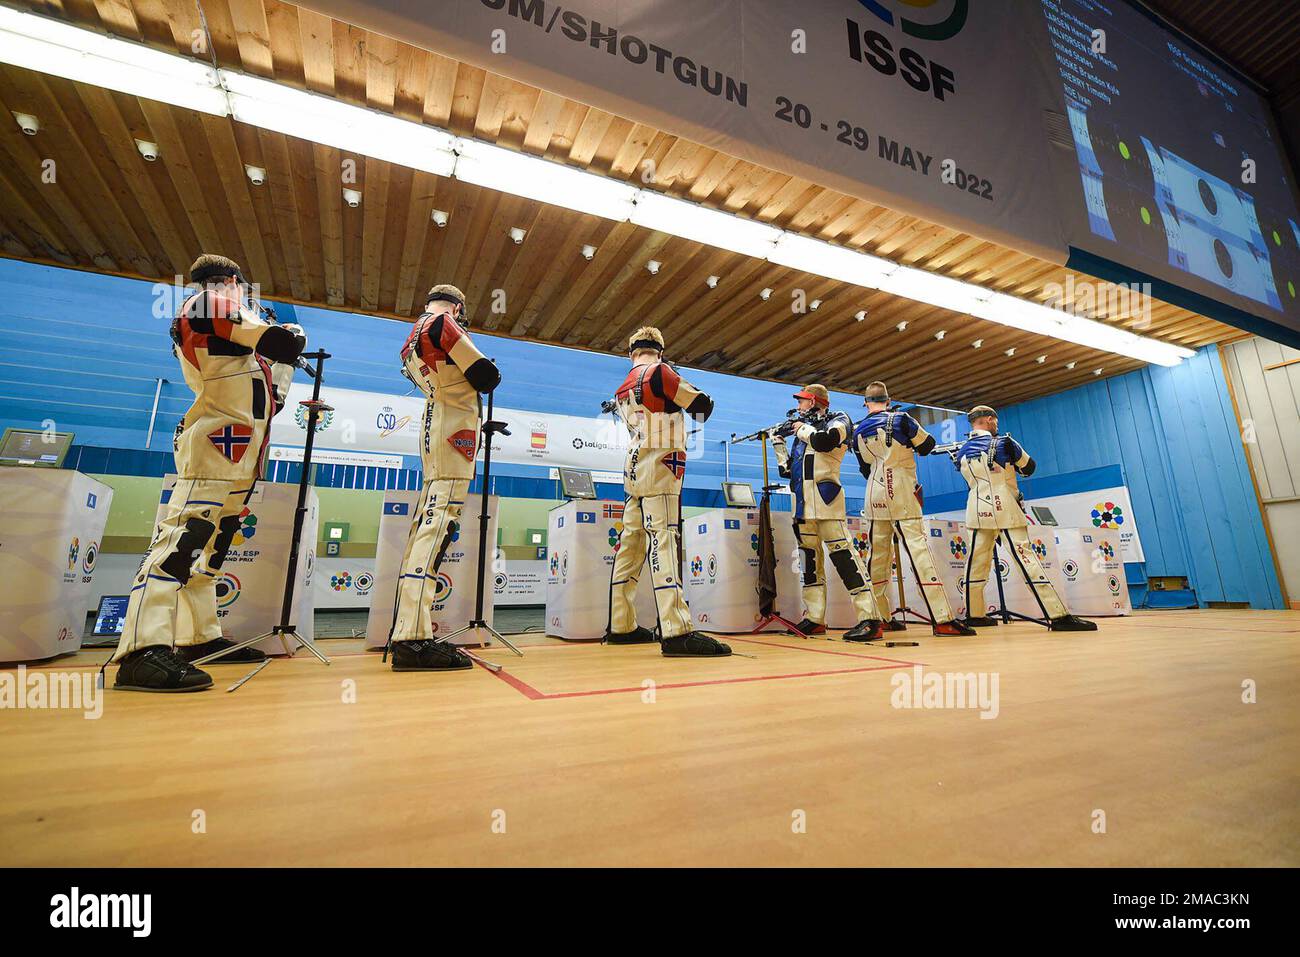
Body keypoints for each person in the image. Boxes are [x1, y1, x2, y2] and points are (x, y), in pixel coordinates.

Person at [111, 254, 307, 692]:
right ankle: (140, 650)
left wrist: (286, 363)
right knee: (181, 540)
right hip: (215, 442)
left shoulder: (235, 338)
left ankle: (199, 638)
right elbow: (271, 338)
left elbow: (270, 399)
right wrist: (284, 337)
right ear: (234, 284)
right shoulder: (205, 303)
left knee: (211, 551)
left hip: (243, 453)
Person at [387, 284, 501, 671]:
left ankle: (407, 628)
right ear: (457, 305)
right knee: (438, 527)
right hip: (455, 428)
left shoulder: (412, 335)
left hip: (435, 423)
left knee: (428, 523)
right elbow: (486, 375)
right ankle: (413, 638)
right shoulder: (444, 324)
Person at [605, 327, 731, 657]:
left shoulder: (622, 387)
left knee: (630, 545)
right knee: (664, 540)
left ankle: (622, 625)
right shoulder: (661, 372)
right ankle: (676, 631)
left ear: (630, 351)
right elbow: (703, 408)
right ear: (660, 350)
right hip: (661, 466)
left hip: (633, 469)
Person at [955, 405, 1097, 631]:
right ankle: (1057, 615)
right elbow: (1029, 467)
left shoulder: (962, 450)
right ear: (990, 420)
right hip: (1004, 507)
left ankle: (974, 614)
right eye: (996, 421)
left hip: (975, 508)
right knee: (1026, 559)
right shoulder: (1006, 443)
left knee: (975, 562)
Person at [852, 382, 975, 637]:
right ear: (888, 399)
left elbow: (864, 468)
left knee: (877, 558)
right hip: (902, 488)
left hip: (873, 493)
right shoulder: (902, 419)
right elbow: (927, 445)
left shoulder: (857, 430)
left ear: (866, 403)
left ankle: (878, 618)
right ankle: (942, 618)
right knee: (919, 552)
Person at [773, 384, 885, 642]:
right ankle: (814, 618)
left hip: (826, 502)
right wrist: (778, 442)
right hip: (802, 506)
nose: (799, 406)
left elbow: (824, 442)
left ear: (813, 402)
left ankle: (870, 618)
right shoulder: (803, 436)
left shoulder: (839, 419)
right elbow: (787, 472)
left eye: (802, 401)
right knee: (809, 565)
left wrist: (799, 428)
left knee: (846, 560)